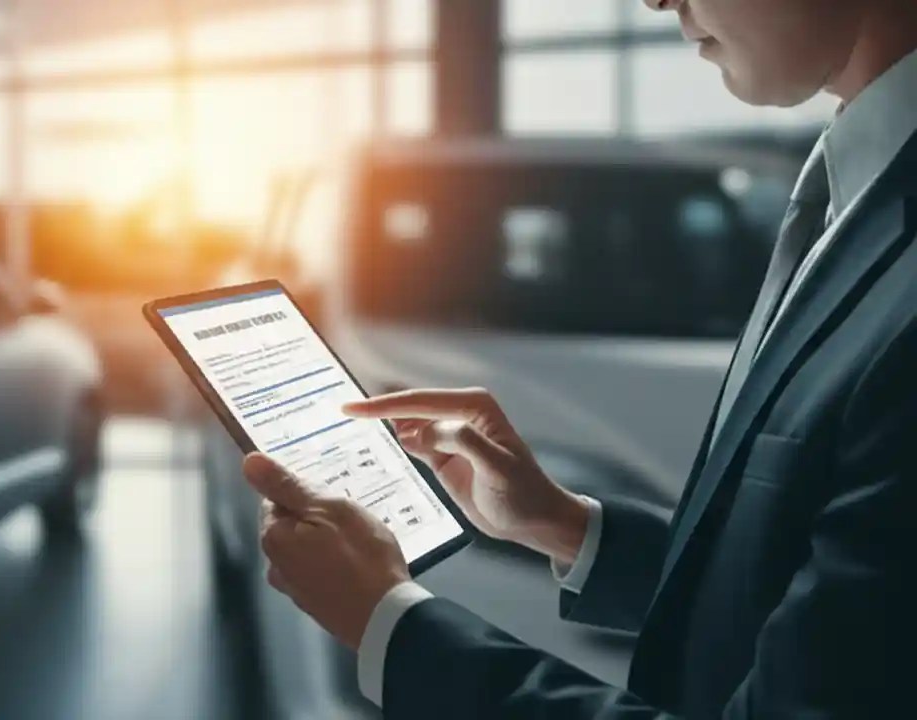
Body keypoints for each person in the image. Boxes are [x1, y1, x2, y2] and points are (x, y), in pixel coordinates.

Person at [241, 0, 917, 716]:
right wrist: (562, 523)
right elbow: (803, 596)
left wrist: (392, 626)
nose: (656, 0)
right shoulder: (856, 195)